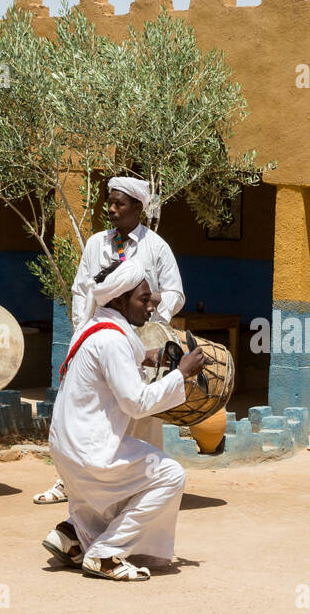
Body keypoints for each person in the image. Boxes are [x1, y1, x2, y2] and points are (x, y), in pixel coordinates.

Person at [41, 259, 205, 581]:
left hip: (65, 447)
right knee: (169, 475)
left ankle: (74, 536)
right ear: (119, 300)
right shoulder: (113, 340)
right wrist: (182, 374)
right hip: (89, 450)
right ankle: (106, 554)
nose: (150, 306)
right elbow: (136, 402)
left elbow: (112, 362)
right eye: (143, 299)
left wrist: (145, 355)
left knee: (128, 474)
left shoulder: (91, 327)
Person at [33, 175, 185, 504]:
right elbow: (81, 292)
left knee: (138, 416)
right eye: (110, 202)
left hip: (142, 342)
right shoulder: (96, 244)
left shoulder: (155, 247)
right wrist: (82, 333)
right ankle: (70, 481)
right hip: (101, 341)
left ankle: (142, 486)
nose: (111, 209)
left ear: (138, 209)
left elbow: (176, 294)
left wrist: (148, 303)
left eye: (119, 203)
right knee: (93, 416)